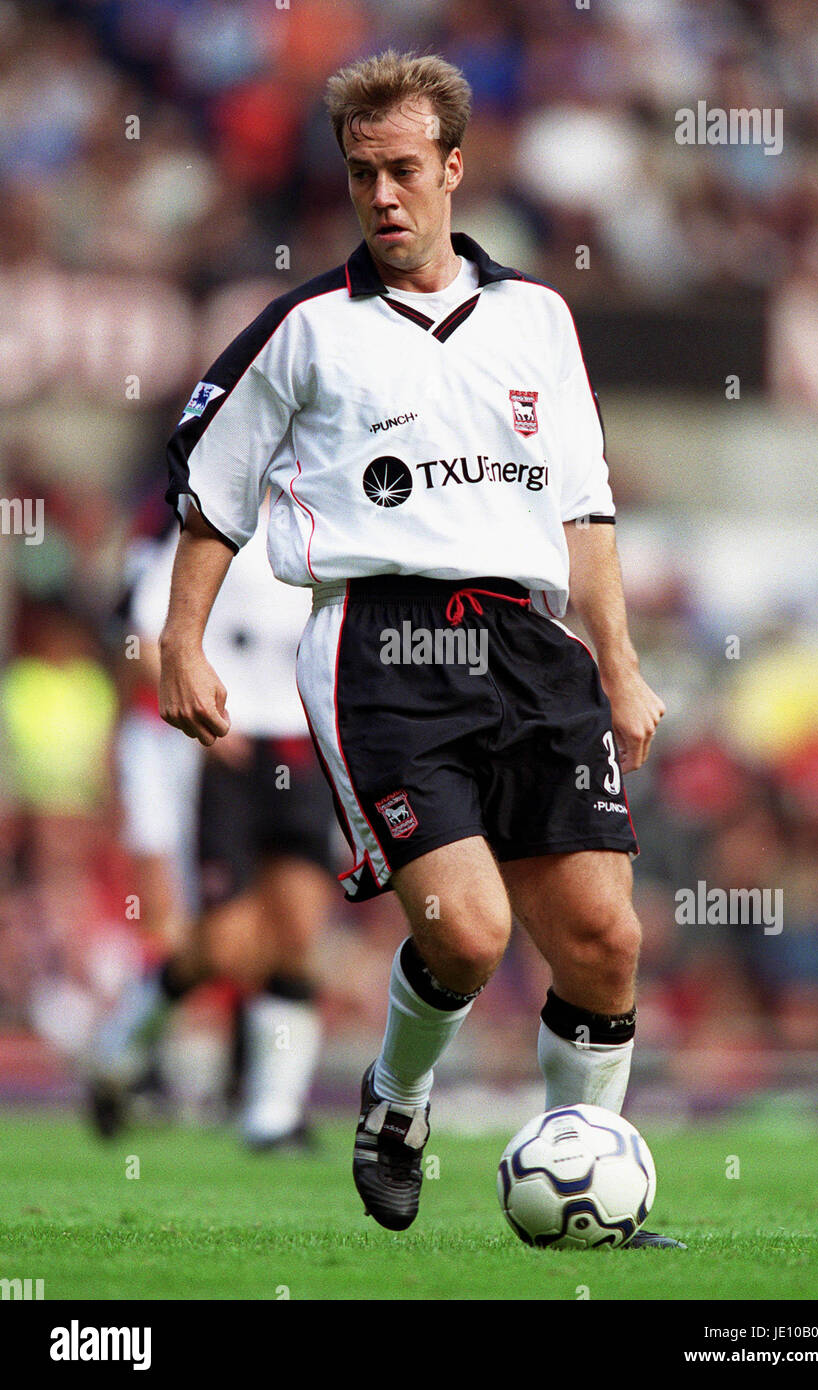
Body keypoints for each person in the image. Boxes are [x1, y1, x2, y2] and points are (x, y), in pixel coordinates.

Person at [158, 50, 683, 1245]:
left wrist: (619, 660)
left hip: (528, 640)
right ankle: (395, 1104)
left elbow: (584, 509)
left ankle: (584, 1173)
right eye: (360, 175)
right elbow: (213, 494)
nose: (382, 195)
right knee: (469, 931)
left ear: (453, 170)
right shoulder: (305, 332)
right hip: (380, 644)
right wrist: (180, 640)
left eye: (402, 170)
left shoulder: (536, 319)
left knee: (604, 942)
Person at [89, 501, 337, 1149]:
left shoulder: (337, 510)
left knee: (298, 931)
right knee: (226, 943)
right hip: (229, 747)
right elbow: (142, 635)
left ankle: (273, 1115)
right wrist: (194, 701)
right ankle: (121, 1045)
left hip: (304, 746)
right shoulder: (213, 517)